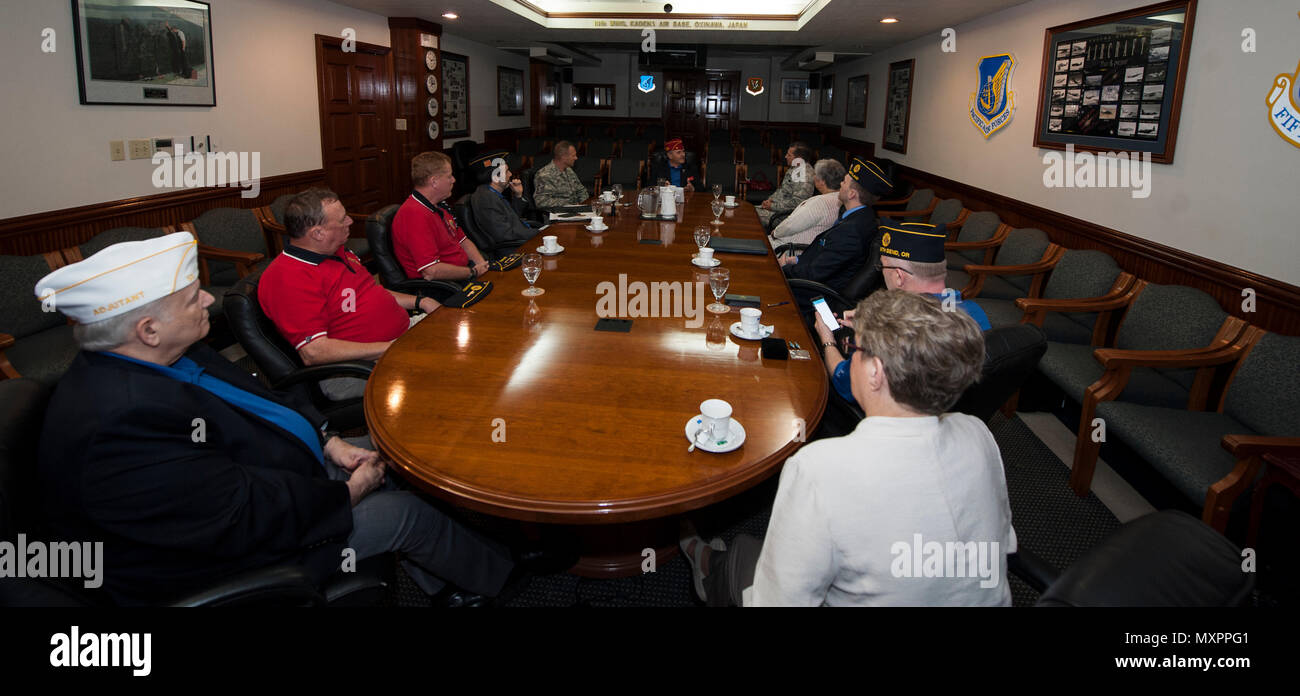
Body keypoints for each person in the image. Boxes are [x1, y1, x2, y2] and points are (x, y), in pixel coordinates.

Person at [34, 232, 517, 605]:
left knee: (398, 455)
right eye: (192, 297)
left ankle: (452, 583)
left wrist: (329, 439)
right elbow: (238, 519)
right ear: (148, 329)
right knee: (406, 514)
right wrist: (348, 491)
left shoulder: (172, 353)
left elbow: (266, 398)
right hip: (231, 555)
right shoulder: (121, 424)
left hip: (284, 474)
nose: (208, 301)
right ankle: (506, 583)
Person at [680, 290, 1016, 606]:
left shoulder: (820, 467)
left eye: (854, 347)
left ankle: (704, 565)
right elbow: (1004, 542)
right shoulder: (979, 434)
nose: (848, 354)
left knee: (740, 552)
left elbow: (777, 601)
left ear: (875, 372)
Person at [259, 188, 443, 400]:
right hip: (355, 368)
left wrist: (422, 301)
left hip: (397, 339)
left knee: (463, 334)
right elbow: (314, 352)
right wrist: (391, 348)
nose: (349, 222)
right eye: (342, 219)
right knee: (450, 374)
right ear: (318, 234)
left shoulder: (335, 249)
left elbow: (370, 292)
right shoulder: (287, 277)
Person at [815, 220, 994, 408]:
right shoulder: (976, 314)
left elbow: (844, 381)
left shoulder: (894, 332)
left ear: (899, 276)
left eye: (881, 267)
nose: (881, 273)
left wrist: (827, 341)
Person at [780, 156, 892, 297]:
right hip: (809, 279)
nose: (840, 184)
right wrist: (796, 260)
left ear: (852, 194)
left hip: (811, 295)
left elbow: (814, 274)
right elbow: (825, 254)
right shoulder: (862, 216)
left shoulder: (851, 232)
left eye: (844, 182)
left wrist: (783, 268)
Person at [392, 151, 492, 282]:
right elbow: (431, 272)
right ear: (434, 182)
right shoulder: (414, 214)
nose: (453, 180)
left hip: (465, 272)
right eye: (449, 176)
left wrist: (482, 267)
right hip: (445, 285)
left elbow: (463, 241)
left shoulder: (439, 206)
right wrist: (472, 272)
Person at [466, 151, 539, 251]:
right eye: (507, 171)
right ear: (496, 177)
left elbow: (512, 218)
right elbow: (505, 234)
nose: (510, 174)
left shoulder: (491, 193)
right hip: (514, 249)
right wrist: (539, 232)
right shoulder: (486, 199)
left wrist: (518, 195)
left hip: (521, 240)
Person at [770, 158, 846, 252]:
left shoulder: (819, 203)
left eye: (815, 174)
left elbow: (791, 226)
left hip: (790, 249)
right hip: (815, 250)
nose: (813, 177)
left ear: (821, 181)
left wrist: (775, 233)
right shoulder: (844, 200)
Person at [757, 141, 815, 230]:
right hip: (775, 209)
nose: (785, 157)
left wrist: (772, 206)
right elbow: (783, 190)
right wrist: (770, 200)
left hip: (782, 216)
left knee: (747, 216)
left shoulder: (804, 176)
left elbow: (797, 203)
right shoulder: (795, 168)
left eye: (789, 155)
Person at [532, 140, 589, 211]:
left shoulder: (569, 170)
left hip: (575, 210)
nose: (576, 158)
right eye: (573, 155)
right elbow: (541, 202)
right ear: (564, 157)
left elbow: (581, 190)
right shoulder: (544, 175)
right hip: (558, 214)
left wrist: (584, 206)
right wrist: (571, 204)